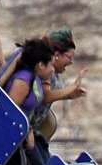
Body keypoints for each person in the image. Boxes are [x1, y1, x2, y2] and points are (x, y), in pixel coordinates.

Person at [0, 37, 57, 165]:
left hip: (25, 135)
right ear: (40, 65)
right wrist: (25, 133)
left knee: (43, 161)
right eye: (50, 64)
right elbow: (9, 113)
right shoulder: (23, 80)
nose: (53, 69)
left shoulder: (36, 80)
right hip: (12, 136)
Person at [28, 27, 85, 155]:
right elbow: (46, 96)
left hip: (36, 131)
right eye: (69, 57)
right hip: (27, 128)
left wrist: (70, 95)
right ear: (57, 55)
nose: (71, 62)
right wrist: (70, 89)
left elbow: (56, 94)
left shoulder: (55, 74)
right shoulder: (46, 69)